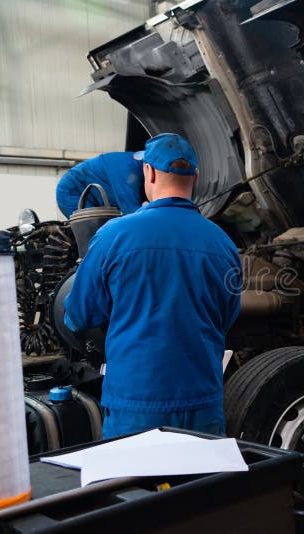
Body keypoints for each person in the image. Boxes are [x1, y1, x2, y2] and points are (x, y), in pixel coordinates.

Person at [64, 133, 242, 438]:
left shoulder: (114, 236)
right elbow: (226, 318)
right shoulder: (224, 244)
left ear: (149, 172)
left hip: (136, 407)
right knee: (201, 486)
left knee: (134, 486)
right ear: (195, 177)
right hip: (203, 406)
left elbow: (78, 316)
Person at [56, 152, 145, 217]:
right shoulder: (127, 170)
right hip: (72, 191)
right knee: (92, 230)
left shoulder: (140, 162)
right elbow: (132, 213)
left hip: (96, 195)